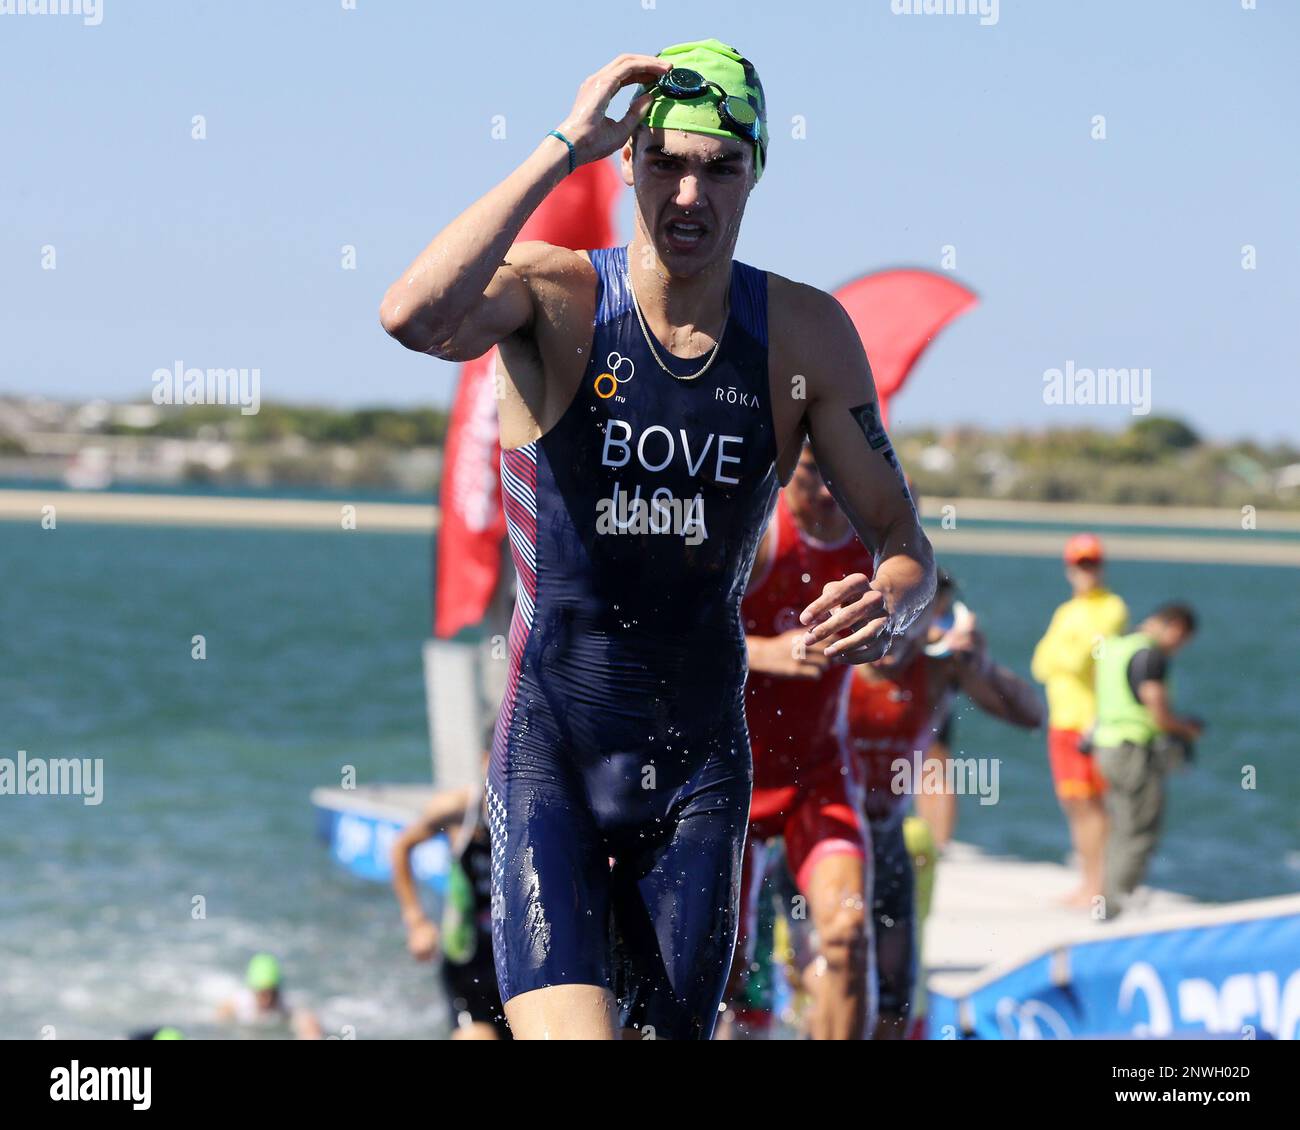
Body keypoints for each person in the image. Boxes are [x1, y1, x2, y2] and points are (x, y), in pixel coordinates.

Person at [380, 39, 934, 1039]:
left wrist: (893, 601)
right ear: (627, 162)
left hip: (697, 774)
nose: (690, 193)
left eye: (720, 166)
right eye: (664, 161)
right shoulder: (553, 297)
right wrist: (562, 146)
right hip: (552, 751)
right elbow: (413, 314)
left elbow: (902, 541)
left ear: (755, 171)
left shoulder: (805, 335)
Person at [845, 578, 1044, 1038]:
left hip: (888, 836)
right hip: (822, 831)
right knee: (819, 974)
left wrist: (984, 667)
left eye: (918, 619)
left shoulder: (940, 670)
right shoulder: (834, 658)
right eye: (891, 617)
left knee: (894, 997)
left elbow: (1031, 715)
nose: (899, 631)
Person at [731, 442, 875, 1040]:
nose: (824, 492)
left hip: (815, 775)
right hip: (727, 776)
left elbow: (915, 601)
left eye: (837, 473)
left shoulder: (878, 529)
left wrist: (898, 625)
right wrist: (766, 651)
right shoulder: (760, 533)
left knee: (846, 935)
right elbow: (671, 637)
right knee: (724, 967)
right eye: (812, 473)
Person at [1031, 533, 1129, 908]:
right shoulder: (1067, 612)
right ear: (1069, 569)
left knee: (1094, 806)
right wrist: (1068, 652)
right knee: (1074, 804)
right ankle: (1088, 881)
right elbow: (1041, 663)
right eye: (1079, 564)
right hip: (1062, 720)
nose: (1086, 571)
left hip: (1091, 721)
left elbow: (1076, 659)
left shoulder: (1111, 607)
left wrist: (1066, 652)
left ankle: (1098, 885)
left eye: (1091, 564)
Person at [391, 746, 510, 1040]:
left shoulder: (534, 812)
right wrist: (416, 919)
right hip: (468, 961)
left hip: (518, 963)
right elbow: (401, 847)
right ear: (485, 759)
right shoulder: (459, 810)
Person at [1092, 604, 1202, 918]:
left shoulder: (1117, 647)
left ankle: (1108, 901)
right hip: (1133, 753)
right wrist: (1186, 728)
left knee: (1120, 828)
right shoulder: (1151, 656)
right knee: (1139, 831)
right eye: (1182, 640)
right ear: (1176, 628)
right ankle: (1118, 906)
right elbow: (1157, 710)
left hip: (1107, 747)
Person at [216, 954, 323, 1039]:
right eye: (262, 994)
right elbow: (219, 1023)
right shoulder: (238, 1002)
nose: (268, 1000)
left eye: (272, 993)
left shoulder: (286, 1004)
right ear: (253, 990)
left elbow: (309, 1024)